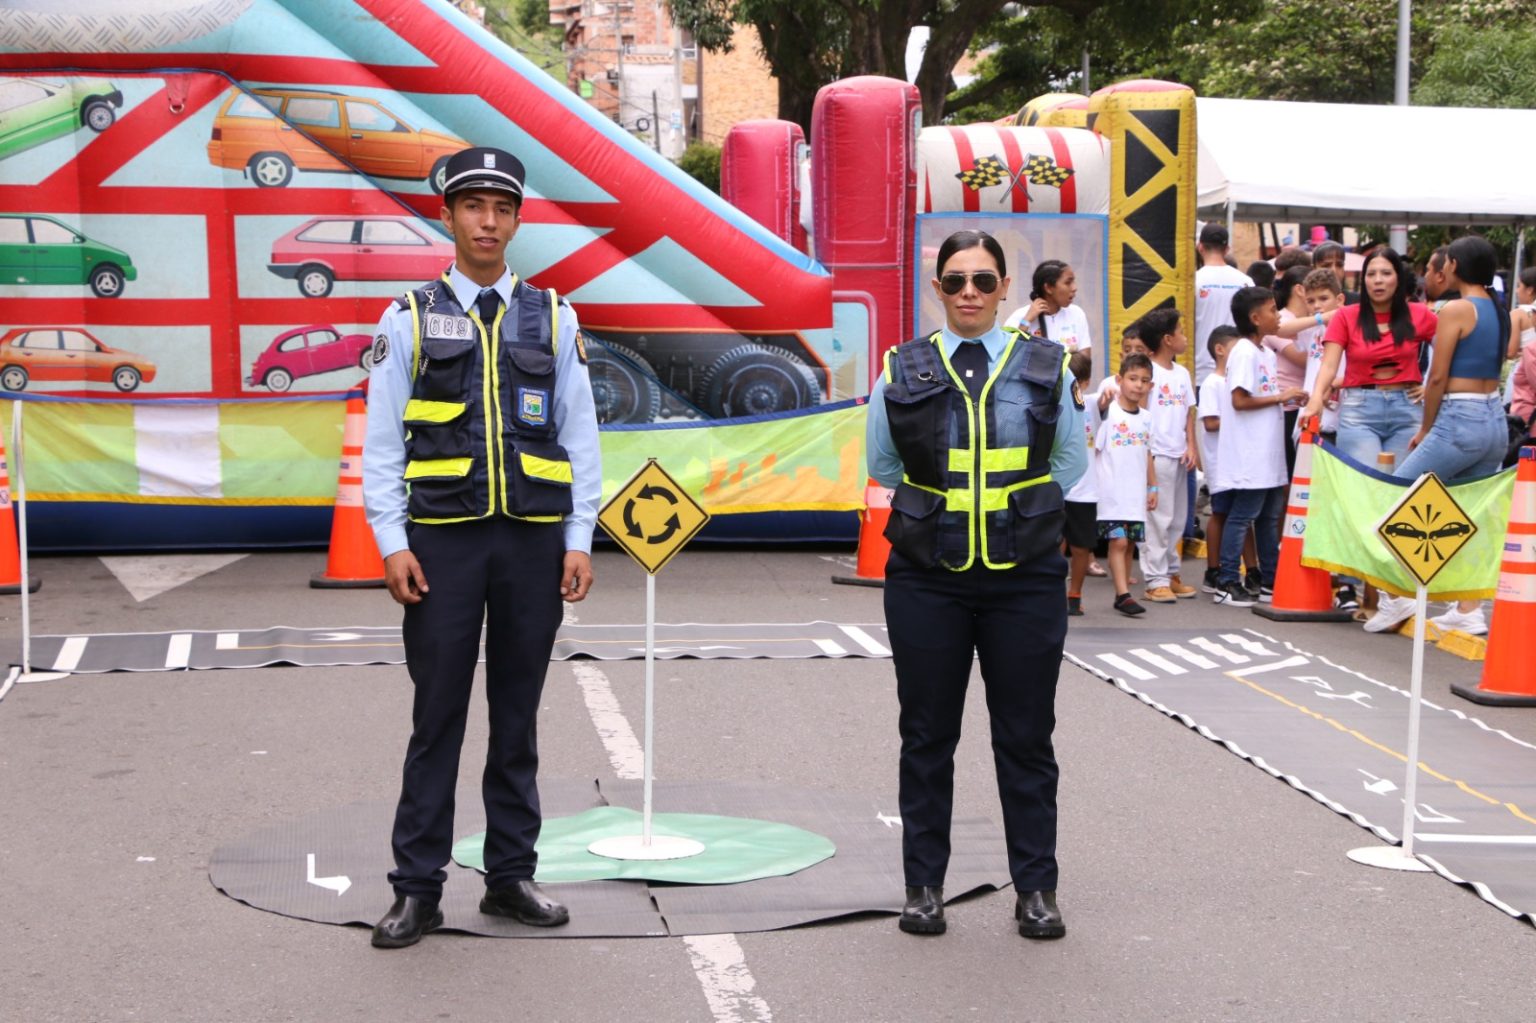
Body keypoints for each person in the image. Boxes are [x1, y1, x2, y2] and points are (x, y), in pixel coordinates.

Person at [362, 146, 601, 949]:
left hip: (532, 544)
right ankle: (416, 887)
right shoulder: (405, 318)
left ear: (518, 218)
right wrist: (392, 541)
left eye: (502, 207)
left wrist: (579, 537)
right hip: (444, 546)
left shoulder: (555, 317)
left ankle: (509, 877)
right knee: (437, 717)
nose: (488, 221)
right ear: (449, 216)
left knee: (518, 717)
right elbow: (383, 444)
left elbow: (581, 434)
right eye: (473, 206)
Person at [865, 229, 1086, 940]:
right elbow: (884, 463)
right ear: (937, 288)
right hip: (928, 577)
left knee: (1026, 737)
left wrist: (1012, 517)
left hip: (1025, 579)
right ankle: (924, 886)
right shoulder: (902, 367)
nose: (969, 292)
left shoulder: (1047, 366)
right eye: (956, 280)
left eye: (983, 280)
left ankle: (1037, 889)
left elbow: (1070, 461)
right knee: (926, 733)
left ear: (1003, 289)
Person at [1300, 246, 1436, 632]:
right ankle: (1381, 595)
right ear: (1364, 280)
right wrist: (1314, 399)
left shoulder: (1420, 315)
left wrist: (1431, 388)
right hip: (1359, 410)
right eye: (1372, 274)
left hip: (1407, 411)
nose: (1378, 280)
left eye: (1386, 273)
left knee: (1399, 499)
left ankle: (1392, 597)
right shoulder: (1346, 316)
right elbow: (1329, 363)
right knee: (1365, 498)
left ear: (1398, 279)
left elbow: (1452, 348)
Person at [1393, 235, 1510, 636]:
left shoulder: (1456, 308)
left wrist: (1425, 428)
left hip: (1459, 417)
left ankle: (1399, 592)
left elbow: (1437, 375)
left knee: (1396, 494)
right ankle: (1468, 607)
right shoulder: (1499, 308)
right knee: (1466, 513)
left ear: (1455, 266)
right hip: (1494, 416)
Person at [1213, 287, 1307, 607]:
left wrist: (1288, 396)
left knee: (1269, 516)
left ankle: (1270, 580)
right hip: (1249, 453)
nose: (1278, 315)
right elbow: (1239, 400)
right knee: (1243, 515)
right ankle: (1226, 581)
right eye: (1272, 310)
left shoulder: (1266, 352)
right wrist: (1282, 396)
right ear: (1255, 318)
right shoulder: (1243, 352)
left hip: (1268, 455)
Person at [1136, 308, 1197, 602]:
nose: (1185, 337)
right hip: (1156, 455)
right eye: (1181, 331)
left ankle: (1171, 572)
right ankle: (1154, 580)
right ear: (1167, 339)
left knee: (1177, 519)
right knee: (1156, 519)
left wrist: (1191, 445)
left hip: (1179, 455)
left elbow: (1188, 412)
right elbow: (1142, 414)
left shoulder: (1182, 373)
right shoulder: (1148, 372)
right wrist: (1145, 454)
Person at [1197, 326, 1258, 594]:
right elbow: (1210, 422)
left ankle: (1253, 568)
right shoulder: (1212, 383)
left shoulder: (1237, 381)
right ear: (1220, 350)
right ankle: (1213, 569)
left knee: (1243, 515)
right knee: (1221, 513)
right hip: (1220, 461)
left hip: (1239, 458)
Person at [1096, 353, 1156, 615]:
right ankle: (1123, 594)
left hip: (1135, 492)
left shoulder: (1146, 417)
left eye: (1144, 380)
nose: (1138, 385)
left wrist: (1152, 487)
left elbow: (1148, 453)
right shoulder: (1108, 413)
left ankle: (1123, 593)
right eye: (1132, 378)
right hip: (1111, 491)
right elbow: (1095, 446)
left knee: (1129, 543)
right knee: (1118, 542)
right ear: (1119, 380)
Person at [1264, 265, 1313, 471]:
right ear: (1300, 290)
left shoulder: (1307, 321)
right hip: (1286, 406)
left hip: (1307, 403)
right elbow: (1304, 359)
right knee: (1290, 471)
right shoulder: (1280, 320)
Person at [1194, 225, 1254, 386]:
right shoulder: (1246, 281)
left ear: (1200, 247)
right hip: (1239, 368)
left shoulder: (1192, 281)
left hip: (1201, 369)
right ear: (1227, 249)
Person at [1064, 350, 1100, 617]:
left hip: (1085, 490)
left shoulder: (1093, 405)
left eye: (1076, 380)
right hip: (1055, 488)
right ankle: (1051, 593)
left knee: (1080, 548)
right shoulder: (1053, 403)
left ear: (1086, 383)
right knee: (1051, 545)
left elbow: (1116, 389)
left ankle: (1074, 594)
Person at [1005, 259, 1093, 354]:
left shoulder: (1077, 314)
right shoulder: (1020, 316)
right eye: (1068, 283)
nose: (1074, 288)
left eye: (1073, 282)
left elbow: (1084, 363)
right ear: (1048, 288)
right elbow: (1008, 359)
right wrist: (1026, 321)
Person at [1510, 268, 1536, 425]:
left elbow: (1511, 351)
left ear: (1530, 290)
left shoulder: (1518, 314)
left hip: (1521, 378)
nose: (1516, 291)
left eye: (1519, 286)